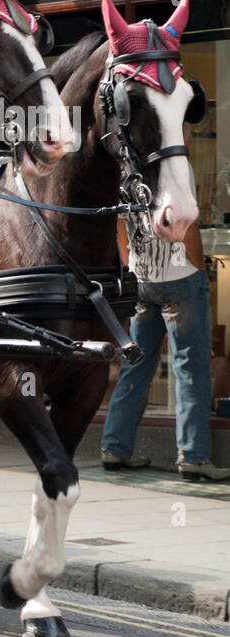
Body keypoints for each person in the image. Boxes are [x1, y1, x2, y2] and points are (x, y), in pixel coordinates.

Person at [101, 172, 227, 481]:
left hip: (144, 278)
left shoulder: (124, 176)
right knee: (191, 366)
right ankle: (193, 456)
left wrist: (133, 265)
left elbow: (119, 227)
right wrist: (196, 268)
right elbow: (189, 228)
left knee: (137, 363)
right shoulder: (171, 168)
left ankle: (114, 448)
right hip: (180, 277)